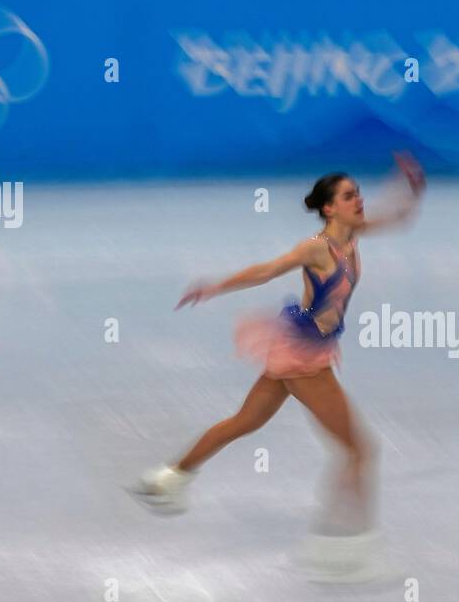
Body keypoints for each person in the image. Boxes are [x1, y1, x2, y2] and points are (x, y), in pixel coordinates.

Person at [132, 151, 426, 537]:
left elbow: (398, 217)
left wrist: (410, 189)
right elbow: (267, 271)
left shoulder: (354, 234)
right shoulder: (316, 248)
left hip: (300, 347)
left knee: (244, 422)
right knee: (359, 450)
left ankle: (167, 479)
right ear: (329, 208)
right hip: (305, 360)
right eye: (349, 196)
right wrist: (216, 286)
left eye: (358, 193)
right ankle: (342, 546)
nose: (359, 200)